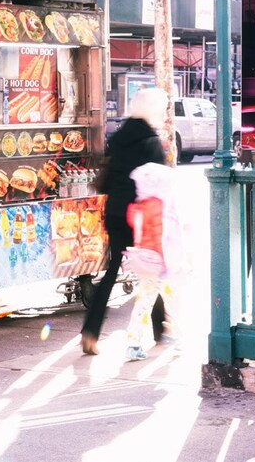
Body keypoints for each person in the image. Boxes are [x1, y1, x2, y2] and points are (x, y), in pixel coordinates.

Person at [80, 87, 168, 356]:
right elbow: (161, 186)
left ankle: (90, 332)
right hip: (141, 219)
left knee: (111, 272)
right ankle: (161, 330)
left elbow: (106, 178)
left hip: (115, 213)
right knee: (154, 271)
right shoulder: (151, 143)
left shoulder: (119, 137)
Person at [123, 161, 188, 360]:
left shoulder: (140, 206)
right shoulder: (163, 207)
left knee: (143, 302)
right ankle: (180, 339)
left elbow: (136, 226)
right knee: (173, 301)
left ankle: (133, 343)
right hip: (161, 264)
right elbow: (166, 237)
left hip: (145, 262)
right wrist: (172, 263)